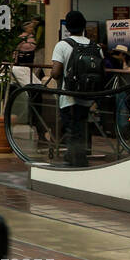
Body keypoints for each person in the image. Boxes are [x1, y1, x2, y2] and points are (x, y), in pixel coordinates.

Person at [51, 10, 96, 167]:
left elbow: (56, 72)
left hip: (68, 95)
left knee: (71, 129)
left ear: (68, 28)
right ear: (83, 26)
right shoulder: (94, 46)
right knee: (82, 126)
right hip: (88, 96)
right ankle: (81, 157)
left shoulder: (62, 45)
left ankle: (74, 160)